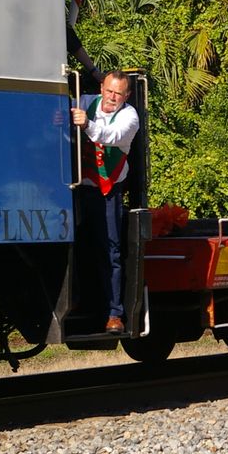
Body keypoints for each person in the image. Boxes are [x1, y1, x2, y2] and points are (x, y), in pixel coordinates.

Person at [71, 71, 140, 334]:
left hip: (107, 191)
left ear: (127, 96)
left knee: (109, 250)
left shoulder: (129, 117)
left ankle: (115, 314)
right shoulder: (84, 100)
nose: (112, 98)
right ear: (102, 87)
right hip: (77, 188)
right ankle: (77, 302)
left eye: (118, 94)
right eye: (109, 91)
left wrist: (86, 123)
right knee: (74, 247)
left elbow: (109, 135)